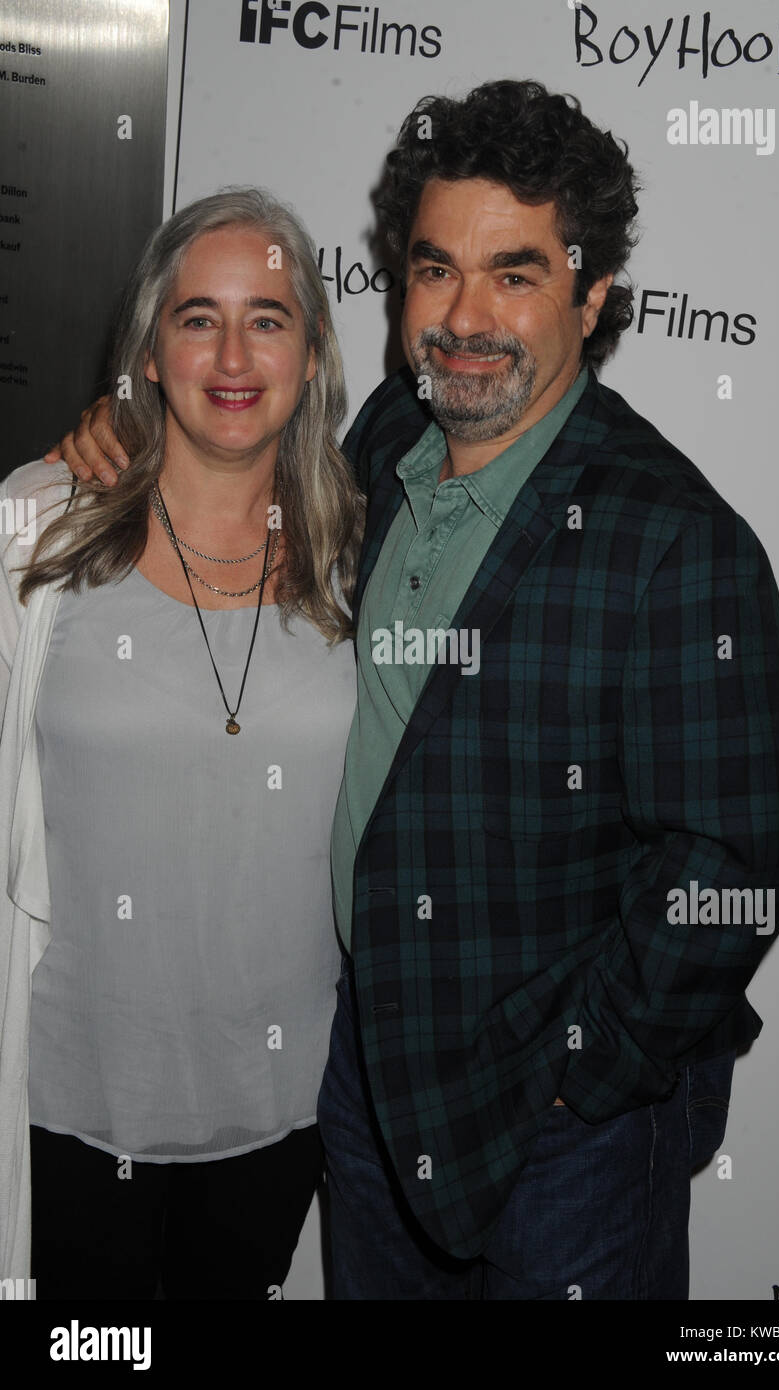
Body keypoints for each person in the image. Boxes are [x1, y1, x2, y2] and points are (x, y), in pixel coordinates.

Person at [47, 81, 779, 1301]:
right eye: (433, 269)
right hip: (365, 1077)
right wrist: (125, 423)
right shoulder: (383, 449)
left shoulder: (670, 540)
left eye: (513, 274)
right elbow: (218, 454)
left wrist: (582, 1067)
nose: (464, 316)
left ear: (592, 294)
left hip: (561, 1135)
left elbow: (743, 857)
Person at [0, 188, 361, 1299]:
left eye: (268, 316)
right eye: (198, 317)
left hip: (279, 1107)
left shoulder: (369, 551)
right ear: (148, 354)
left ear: (309, 353)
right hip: (70, 1093)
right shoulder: (35, 530)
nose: (233, 351)